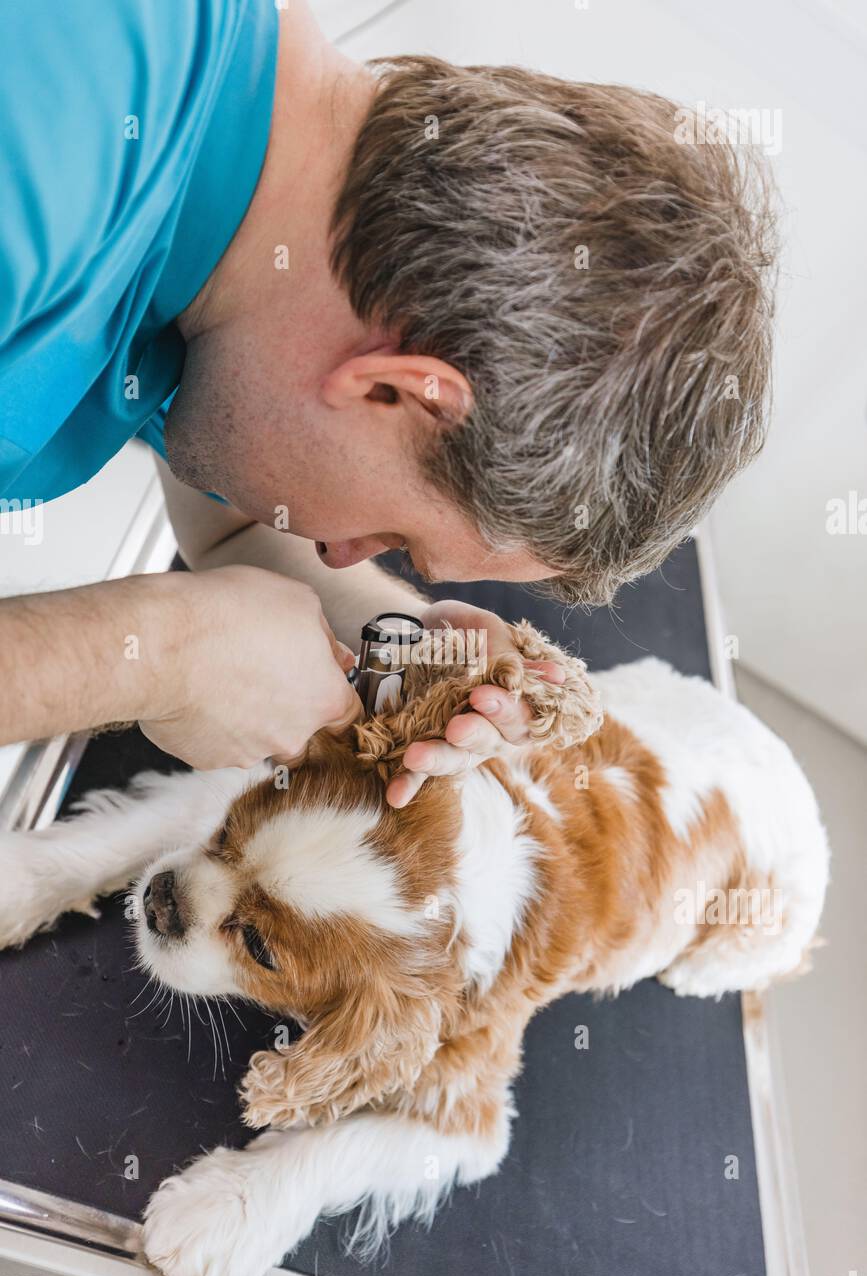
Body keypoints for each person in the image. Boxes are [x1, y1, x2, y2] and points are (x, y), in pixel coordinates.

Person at [0, 0, 776, 805]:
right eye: (393, 537)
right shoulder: (41, 156)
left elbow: (227, 517)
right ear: (392, 387)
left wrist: (388, 638)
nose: (343, 553)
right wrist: (154, 656)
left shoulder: (250, 262)